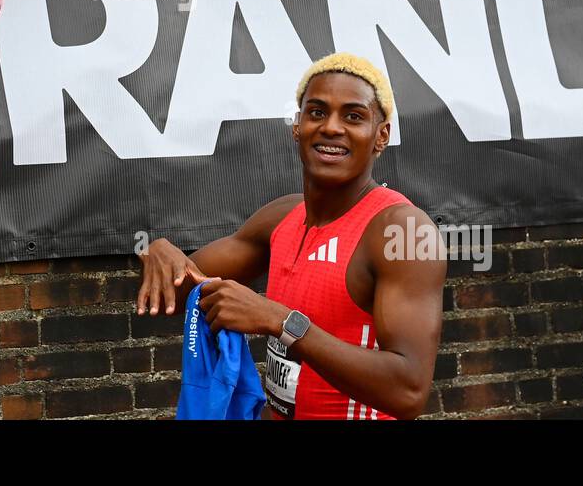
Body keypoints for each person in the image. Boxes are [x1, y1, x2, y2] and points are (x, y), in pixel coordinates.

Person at [136, 54, 446, 420]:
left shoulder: (404, 230)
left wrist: (284, 323)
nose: (331, 127)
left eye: (353, 116)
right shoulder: (282, 217)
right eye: (317, 112)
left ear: (381, 136)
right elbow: (178, 288)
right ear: (297, 127)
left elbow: (408, 392)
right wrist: (154, 249)